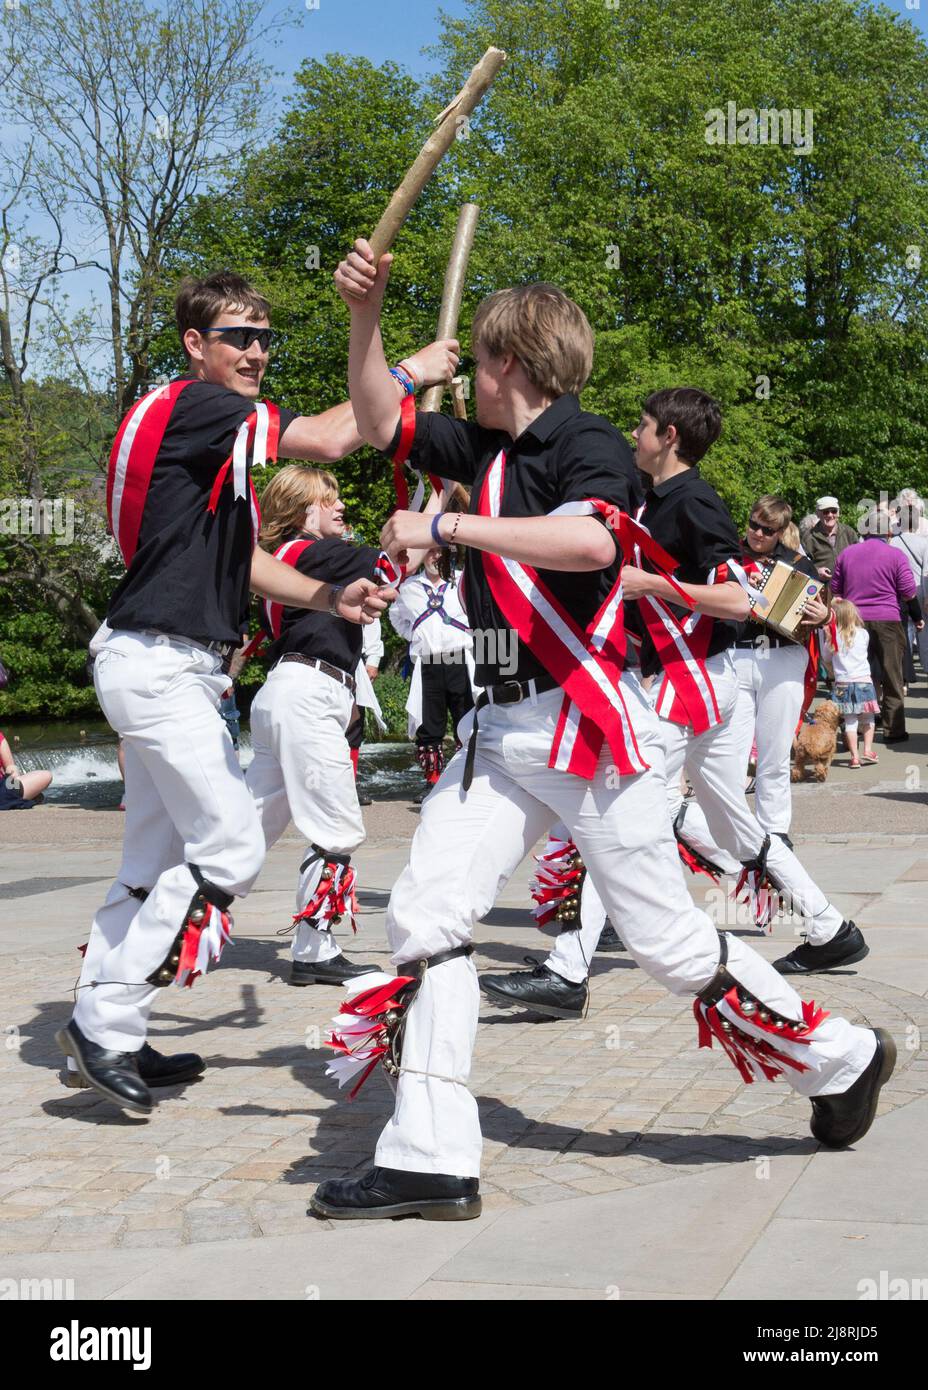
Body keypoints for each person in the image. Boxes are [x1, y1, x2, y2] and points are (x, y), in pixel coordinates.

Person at [307, 245, 895, 1223]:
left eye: (485, 364)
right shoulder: (479, 449)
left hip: (587, 733)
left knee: (666, 944)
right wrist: (366, 319)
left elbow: (588, 541)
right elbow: (371, 420)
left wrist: (446, 534)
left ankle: (842, 1057)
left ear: (506, 363)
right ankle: (431, 1156)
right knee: (427, 909)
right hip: (497, 734)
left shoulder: (587, 447)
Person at [56, 269, 454, 1114]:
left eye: (265, 337)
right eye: (240, 335)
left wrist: (329, 596)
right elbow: (329, 440)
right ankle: (103, 1021)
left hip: (169, 663)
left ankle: (109, 1025)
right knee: (232, 848)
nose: (257, 352)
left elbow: (238, 563)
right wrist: (409, 371)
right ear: (197, 344)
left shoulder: (202, 439)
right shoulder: (202, 408)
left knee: (147, 866)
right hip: (161, 665)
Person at [485, 395, 866, 1015]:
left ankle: (568, 969)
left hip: (685, 681)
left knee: (612, 803)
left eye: (639, 426)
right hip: (692, 682)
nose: (631, 435)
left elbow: (737, 601)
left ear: (666, 435)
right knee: (727, 824)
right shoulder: (647, 492)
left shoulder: (696, 503)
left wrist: (654, 585)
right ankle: (829, 930)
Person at [244, 465, 393, 986]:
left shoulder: (297, 561)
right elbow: (391, 563)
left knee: (243, 835)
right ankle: (313, 950)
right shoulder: (297, 554)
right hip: (306, 693)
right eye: (327, 500)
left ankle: (162, 921)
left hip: (296, 693)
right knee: (337, 825)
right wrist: (435, 519)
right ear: (300, 508)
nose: (340, 507)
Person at [731, 495, 828, 840]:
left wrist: (824, 615)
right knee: (731, 752)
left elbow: (820, 607)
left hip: (783, 656)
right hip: (736, 654)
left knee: (774, 751)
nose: (757, 533)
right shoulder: (728, 556)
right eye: (753, 524)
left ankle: (774, 833)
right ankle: (737, 834)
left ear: (781, 531)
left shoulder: (798, 564)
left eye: (766, 529)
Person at [388, 545, 475, 802]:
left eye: (441, 552)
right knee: (429, 724)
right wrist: (415, 638)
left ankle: (466, 778)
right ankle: (433, 781)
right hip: (427, 664)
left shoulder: (463, 581)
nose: (436, 557)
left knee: (467, 721)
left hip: (460, 659)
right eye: (430, 551)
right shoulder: (408, 588)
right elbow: (397, 618)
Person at [831, 505, 924, 743]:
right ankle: (893, 730)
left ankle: (851, 728)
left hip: (853, 621)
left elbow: (836, 590)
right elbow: (907, 593)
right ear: (889, 534)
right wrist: (917, 618)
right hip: (888, 621)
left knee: (852, 674)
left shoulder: (847, 554)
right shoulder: (895, 555)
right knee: (892, 676)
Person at [823, 600, 881, 766]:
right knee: (868, 718)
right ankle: (868, 750)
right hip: (863, 682)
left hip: (842, 684)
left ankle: (854, 757)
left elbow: (826, 658)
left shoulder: (832, 637)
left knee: (850, 722)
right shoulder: (863, 634)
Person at [890, 496, 928, 678]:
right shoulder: (924, 543)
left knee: (903, 633)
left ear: (899, 521)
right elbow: (925, 572)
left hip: (898, 593)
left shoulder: (892, 542)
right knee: (924, 635)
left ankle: (903, 674)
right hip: (920, 590)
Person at [800, 497, 858, 581]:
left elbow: (860, 558)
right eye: (825, 512)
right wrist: (816, 571)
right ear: (818, 514)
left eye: (834, 511)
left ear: (838, 513)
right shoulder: (809, 537)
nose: (830, 515)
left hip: (848, 585)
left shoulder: (849, 532)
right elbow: (802, 565)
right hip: (822, 589)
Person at [0, 730, 51, 808]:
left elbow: (10, 766)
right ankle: (24, 797)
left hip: (5, 787)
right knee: (46, 776)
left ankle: (22, 796)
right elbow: (10, 767)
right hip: (4, 791)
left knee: (45, 776)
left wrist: (16, 781)